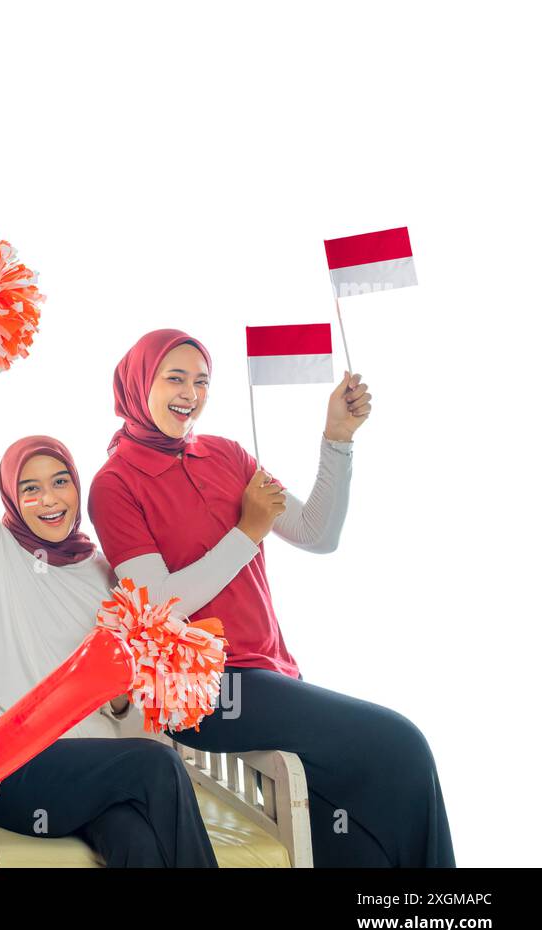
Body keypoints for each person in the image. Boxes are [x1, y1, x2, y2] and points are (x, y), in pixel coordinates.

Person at [87, 328, 454, 867]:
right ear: (140, 383)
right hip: (208, 692)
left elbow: (316, 532)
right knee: (402, 745)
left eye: (201, 381)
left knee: (356, 820)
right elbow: (159, 605)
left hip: (272, 675)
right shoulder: (114, 483)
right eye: (175, 378)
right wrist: (248, 532)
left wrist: (337, 437)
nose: (190, 393)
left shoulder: (227, 455)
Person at [0, 312, 218, 867]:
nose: (49, 500)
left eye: (61, 482)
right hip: (16, 767)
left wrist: (121, 688)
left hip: (92, 768)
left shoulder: (104, 570)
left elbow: (116, 700)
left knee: (138, 842)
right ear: (11, 499)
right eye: (31, 488)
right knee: (158, 767)